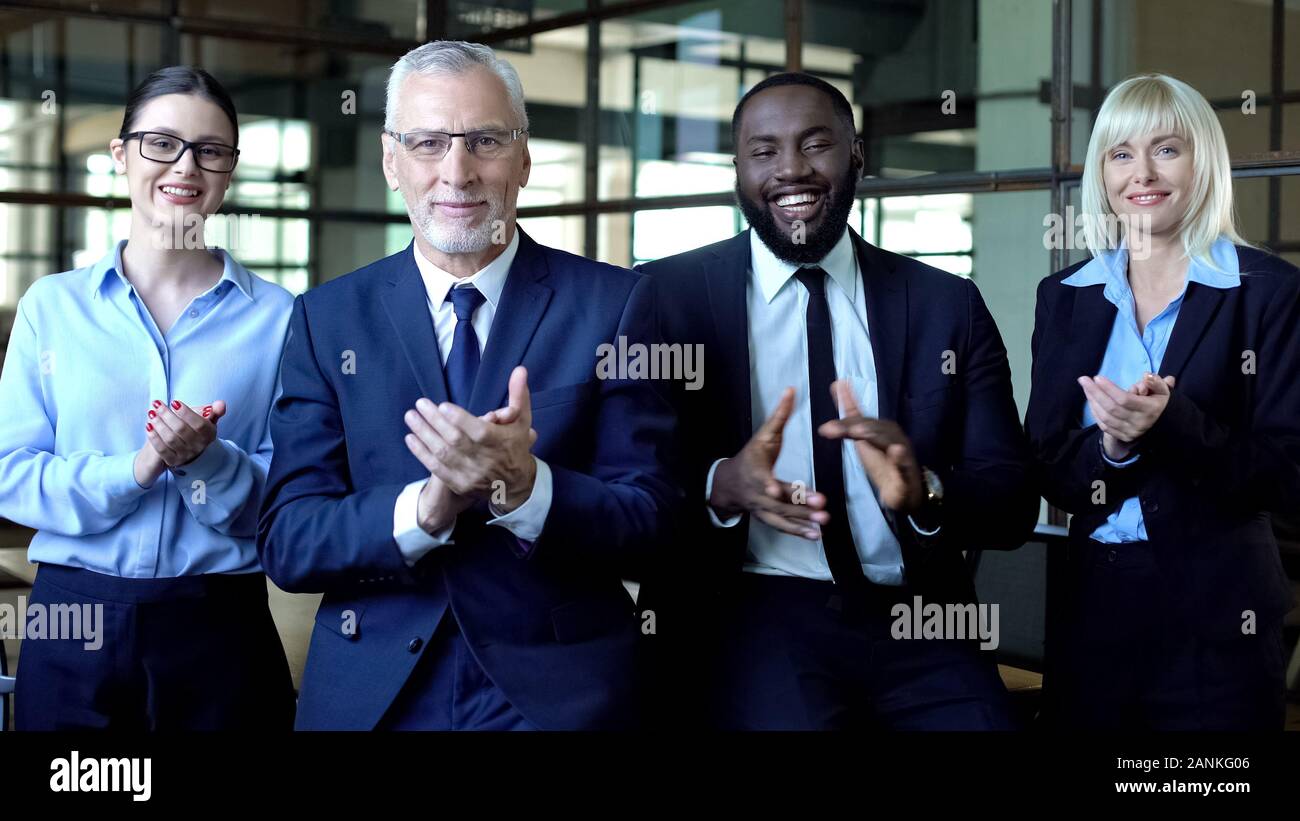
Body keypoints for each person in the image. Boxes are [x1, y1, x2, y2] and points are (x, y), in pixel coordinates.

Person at [257, 40, 678, 731]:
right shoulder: (325, 318)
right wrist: (425, 508)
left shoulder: (617, 306)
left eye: (484, 140)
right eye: (427, 143)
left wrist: (528, 486)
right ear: (392, 162)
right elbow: (290, 539)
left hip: (559, 697)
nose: (457, 171)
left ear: (524, 158)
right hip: (373, 695)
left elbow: (654, 523)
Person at [637, 73, 1039, 730]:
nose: (791, 169)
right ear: (737, 169)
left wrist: (927, 490)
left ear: (857, 155)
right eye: (764, 151)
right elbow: (627, 479)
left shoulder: (946, 305)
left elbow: (1013, 500)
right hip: (748, 610)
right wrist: (720, 485)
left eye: (815, 144)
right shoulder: (661, 297)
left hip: (918, 618)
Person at [0, 66, 295, 730]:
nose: (185, 165)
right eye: (161, 142)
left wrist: (211, 461)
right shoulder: (53, 307)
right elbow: (8, 472)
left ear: (229, 169)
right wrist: (133, 470)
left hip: (221, 622)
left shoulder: (282, 318)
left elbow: (295, 491)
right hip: (70, 616)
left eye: (209, 150)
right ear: (121, 154)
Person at [1024, 73, 1299, 730]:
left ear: (1202, 160)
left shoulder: (1268, 292)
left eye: (1166, 149)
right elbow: (1045, 461)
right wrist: (1111, 449)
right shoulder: (1064, 295)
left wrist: (1176, 424)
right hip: (1093, 607)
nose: (1141, 172)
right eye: (1121, 153)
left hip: (1219, 616)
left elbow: (1290, 475)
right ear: (1102, 170)